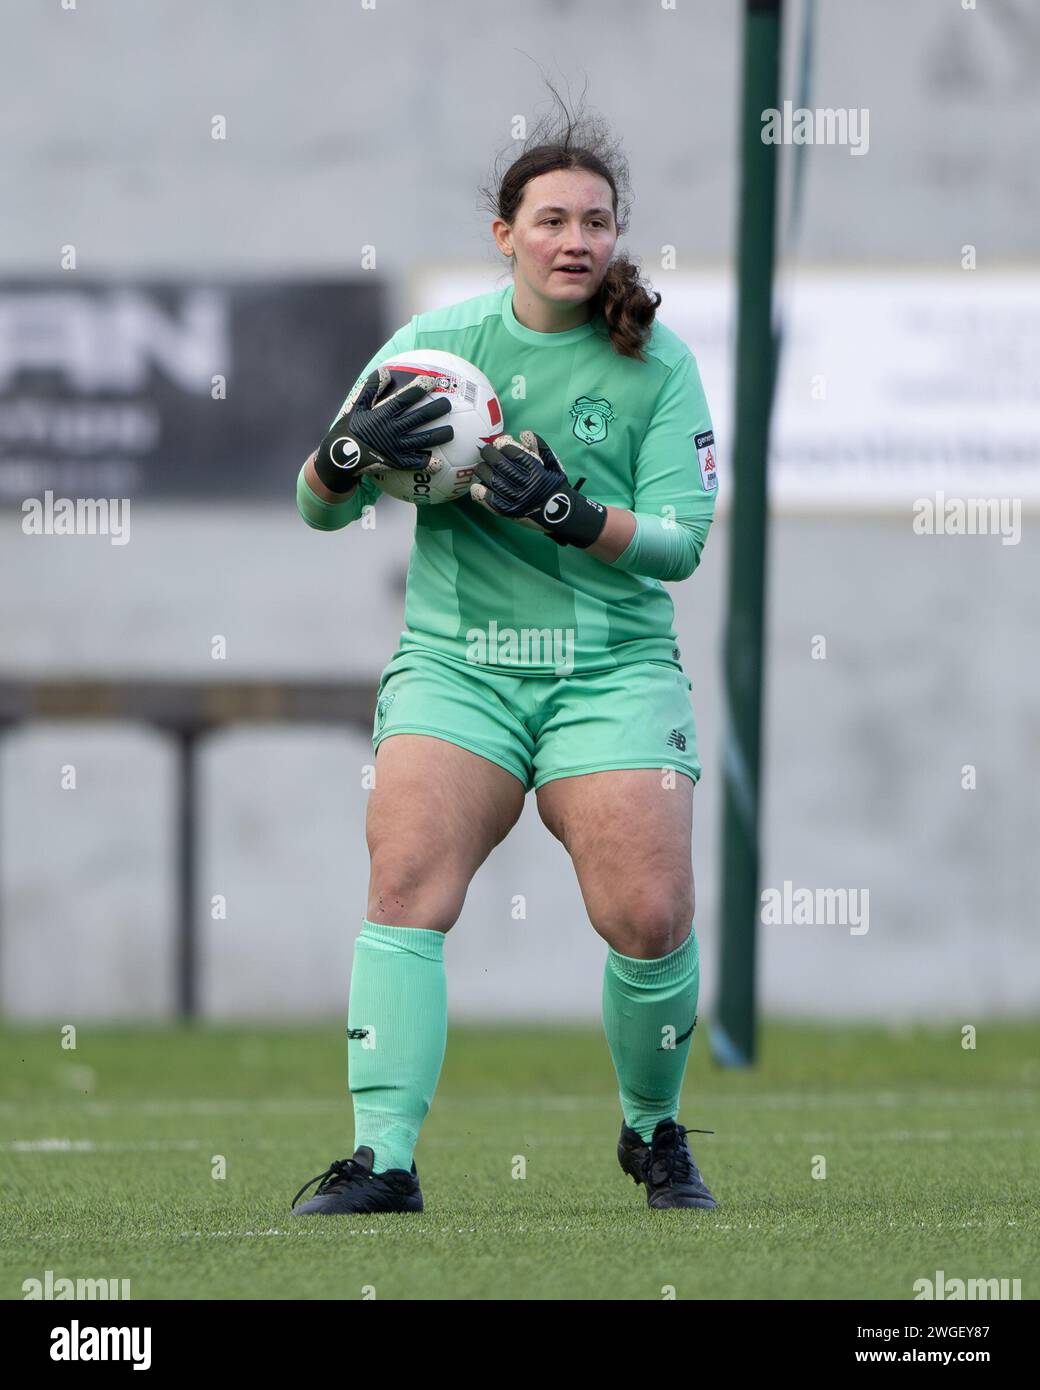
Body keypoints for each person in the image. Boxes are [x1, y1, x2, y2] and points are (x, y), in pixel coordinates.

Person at [291, 98, 719, 1216]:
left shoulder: (657, 363)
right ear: (505, 234)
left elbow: (681, 543)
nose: (575, 240)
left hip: (609, 670)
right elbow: (318, 506)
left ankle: (653, 1132)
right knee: (404, 885)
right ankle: (383, 1160)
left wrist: (572, 515)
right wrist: (345, 454)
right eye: (551, 221)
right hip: (458, 666)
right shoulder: (432, 351)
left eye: (595, 222)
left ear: (615, 235)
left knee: (648, 914)